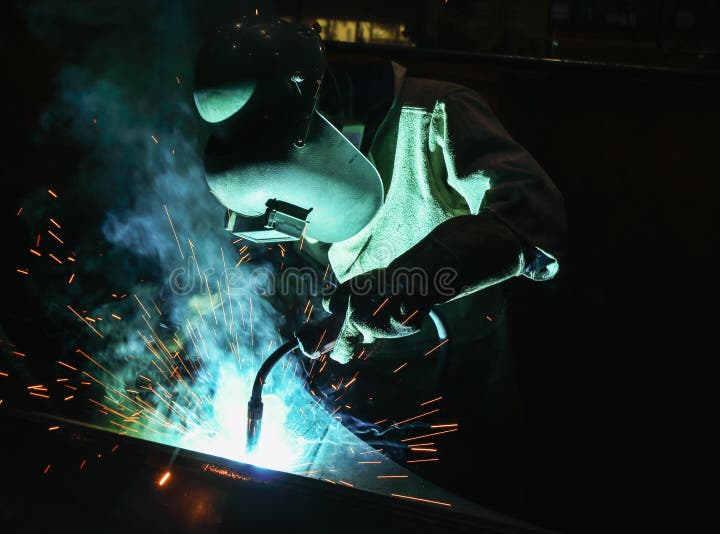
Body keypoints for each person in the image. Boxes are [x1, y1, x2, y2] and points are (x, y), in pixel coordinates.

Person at [193, 17, 565, 516]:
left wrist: (413, 284)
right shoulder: (268, 148)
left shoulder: (436, 114)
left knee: (465, 511)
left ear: (316, 118)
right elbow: (305, 256)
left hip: (461, 388)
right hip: (358, 397)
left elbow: (534, 216)